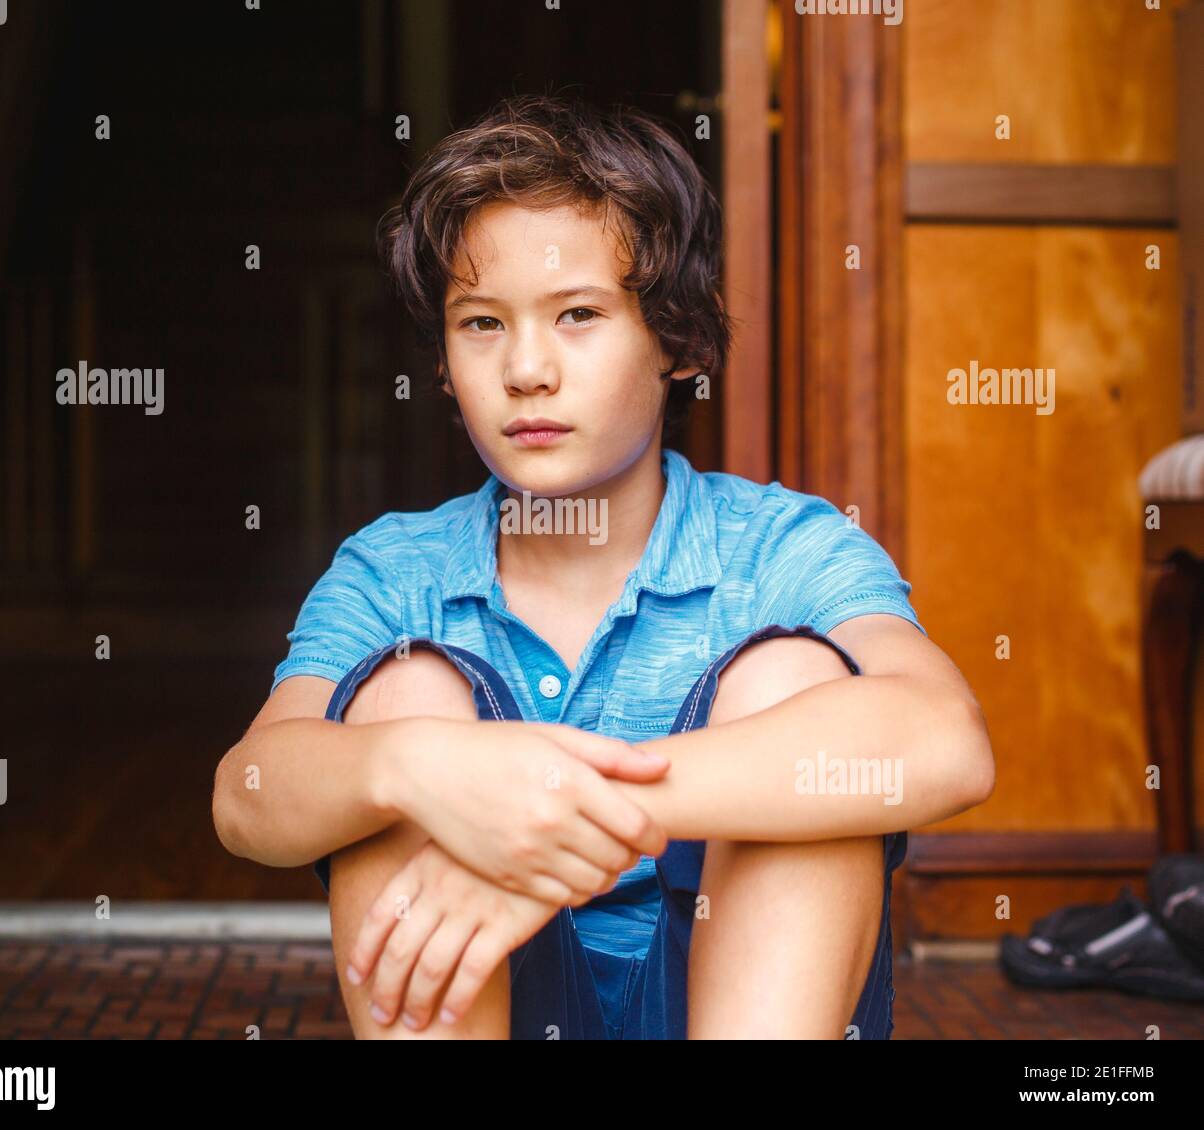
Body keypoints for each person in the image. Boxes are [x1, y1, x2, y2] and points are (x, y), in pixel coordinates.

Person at [212, 93, 995, 1040]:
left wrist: (547, 822)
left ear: (677, 338)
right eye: (482, 323)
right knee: (401, 700)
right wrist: (426, 772)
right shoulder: (393, 569)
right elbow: (247, 797)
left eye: (577, 313)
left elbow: (945, 743)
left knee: (796, 684)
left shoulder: (783, 546)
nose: (526, 370)